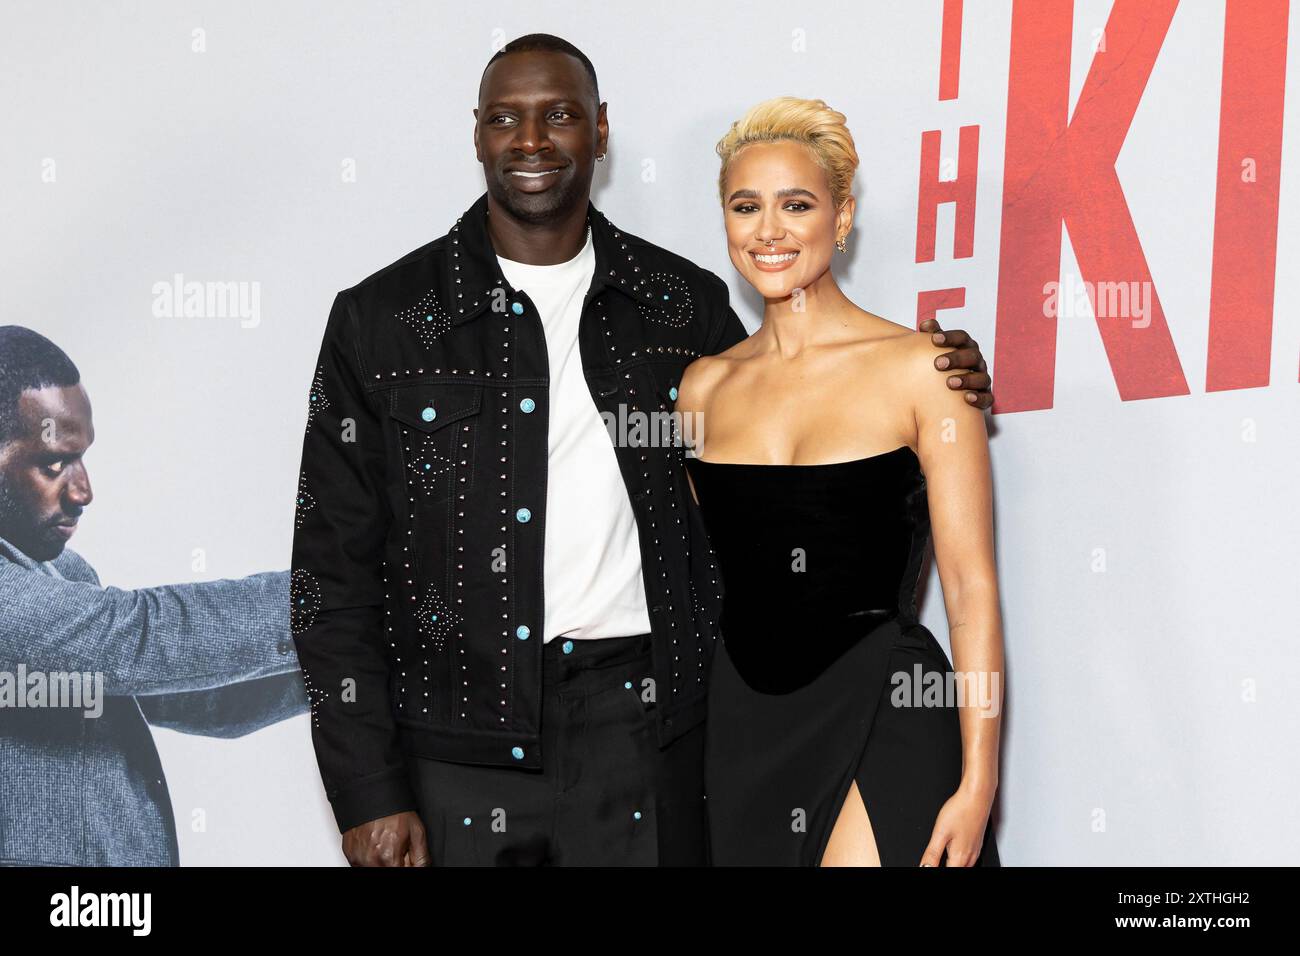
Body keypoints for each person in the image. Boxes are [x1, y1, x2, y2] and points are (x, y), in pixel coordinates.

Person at [289, 35, 992, 867]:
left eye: (559, 116)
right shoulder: (382, 323)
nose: (532, 141)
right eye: (505, 118)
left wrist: (942, 375)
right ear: (475, 134)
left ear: (602, 131)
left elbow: (795, 455)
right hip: (457, 754)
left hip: (653, 737)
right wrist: (367, 789)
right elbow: (328, 579)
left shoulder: (681, 310)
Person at [678, 97, 1004, 866]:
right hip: (746, 723)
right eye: (745, 205)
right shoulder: (701, 390)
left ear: (843, 215)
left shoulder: (925, 370)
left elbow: (970, 589)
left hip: (886, 707)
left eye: (797, 204)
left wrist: (980, 780)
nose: (770, 230)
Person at [0, 325, 305, 866]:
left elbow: (191, 695)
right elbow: (138, 638)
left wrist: (357, 655)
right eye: (54, 463)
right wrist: (351, 592)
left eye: (82, 458)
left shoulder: (63, 573)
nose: (83, 490)